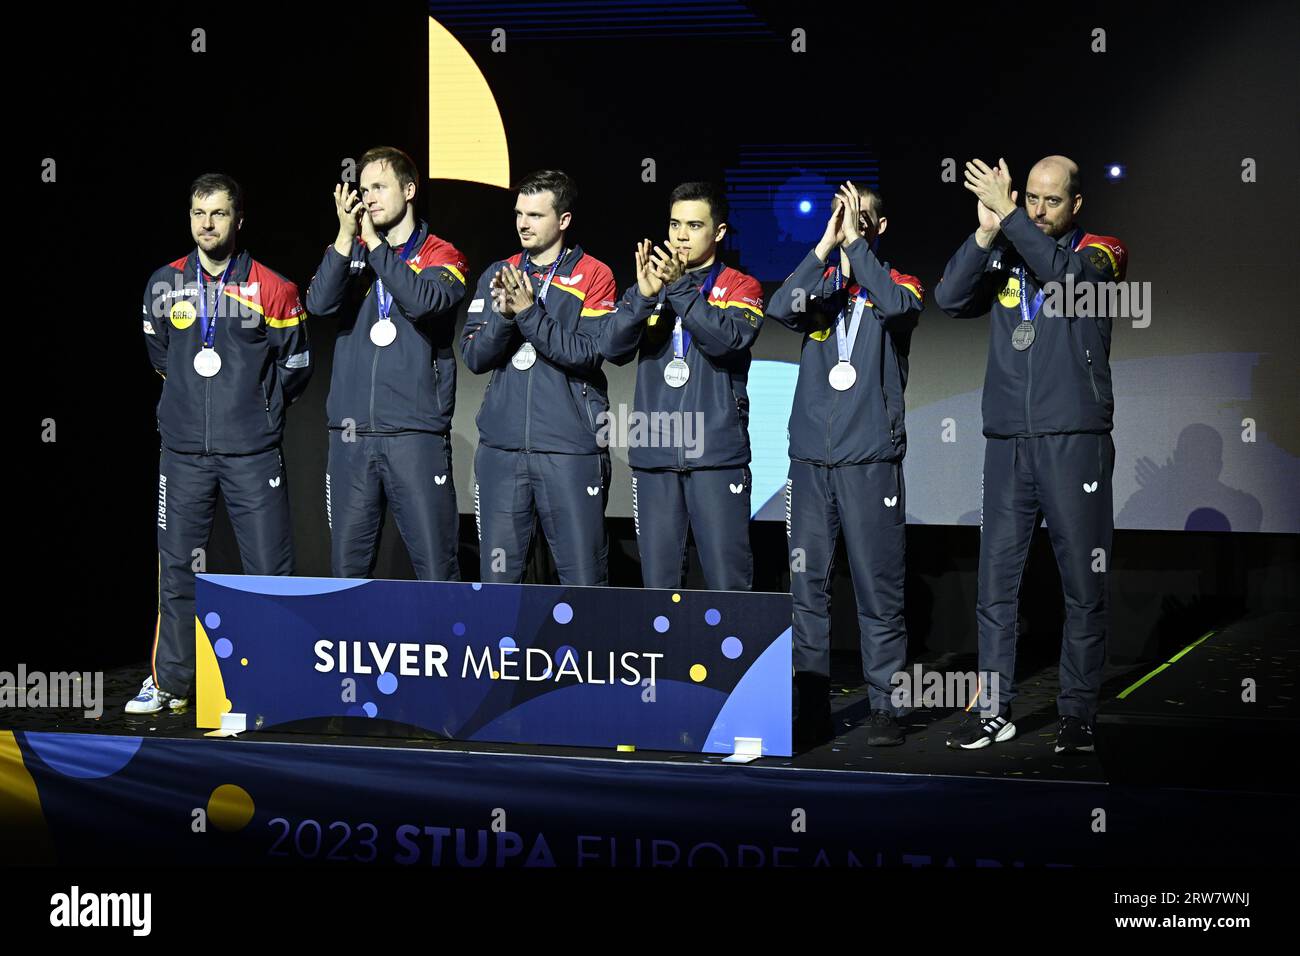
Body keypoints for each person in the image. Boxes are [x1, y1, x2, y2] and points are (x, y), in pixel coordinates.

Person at [934, 155, 1128, 753]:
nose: (1039, 212)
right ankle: (993, 711)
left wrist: (1012, 215)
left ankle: (1076, 711)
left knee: (1081, 584)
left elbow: (1071, 287)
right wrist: (985, 233)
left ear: (1076, 205)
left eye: (1050, 201)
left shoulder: (1102, 252)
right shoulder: (1008, 246)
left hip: (1074, 440)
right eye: (1032, 199)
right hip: (1008, 442)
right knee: (996, 583)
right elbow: (948, 297)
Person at [131, 173, 311, 714]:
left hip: (252, 453)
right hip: (182, 452)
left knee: (268, 572)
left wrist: (258, 410)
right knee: (177, 569)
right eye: (198, 214)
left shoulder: (272, 287)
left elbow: (296, 366)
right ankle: (170, 683)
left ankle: (273, 683)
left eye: (219, 214)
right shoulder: (164, 284)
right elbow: (161, 356)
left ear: (238, 220)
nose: (207, 225)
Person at [767, 183, 924, 748]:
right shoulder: (824, 287)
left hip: (869, 462)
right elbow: (779, 306)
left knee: (877, 591)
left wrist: (856, 248)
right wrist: (823, 248)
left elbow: (900, 308)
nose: (848, 224)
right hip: (810, 463)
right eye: (841, 215)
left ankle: (886, 708)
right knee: (807, 590)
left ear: (879, 228)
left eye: (859, 217)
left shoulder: (898, 285)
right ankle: (810, 707)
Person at [306, 146, 469, 581]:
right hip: (351, 435)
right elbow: (318, 305)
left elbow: (423, 302)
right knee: (347, 571)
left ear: (409, 190)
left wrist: (375, 246)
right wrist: (345, 239)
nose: (369, 198)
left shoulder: (442, 255)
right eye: (363, 189)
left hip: (414, 434)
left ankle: (446, 649)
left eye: (379, 187)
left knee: (436, 568)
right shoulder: (351, 252)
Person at [600, 182, 763, 590]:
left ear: (719, 233)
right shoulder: (651, 287)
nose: (680, 236)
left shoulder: (742, 287)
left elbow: (726, 341)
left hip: (715, 454)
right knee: (659, 587)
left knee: (728, 586)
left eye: (694, 225)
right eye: (674, 224)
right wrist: (641, 296)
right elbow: (610, 348)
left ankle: (734, 657)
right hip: (654, 454)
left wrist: (679, 288)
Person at [461, 170, 618, 584]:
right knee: (497, 581)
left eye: (535, 214)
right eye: (518, 214)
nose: (523, 224)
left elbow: (588, 354)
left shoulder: (595, 275)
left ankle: (583, 650)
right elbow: (474, 356)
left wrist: (529, 313)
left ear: (563, 220)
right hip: (502, 451)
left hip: (569, 450)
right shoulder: (500, 271)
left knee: (584, 582)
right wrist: (505, 317)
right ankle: (499, 650)